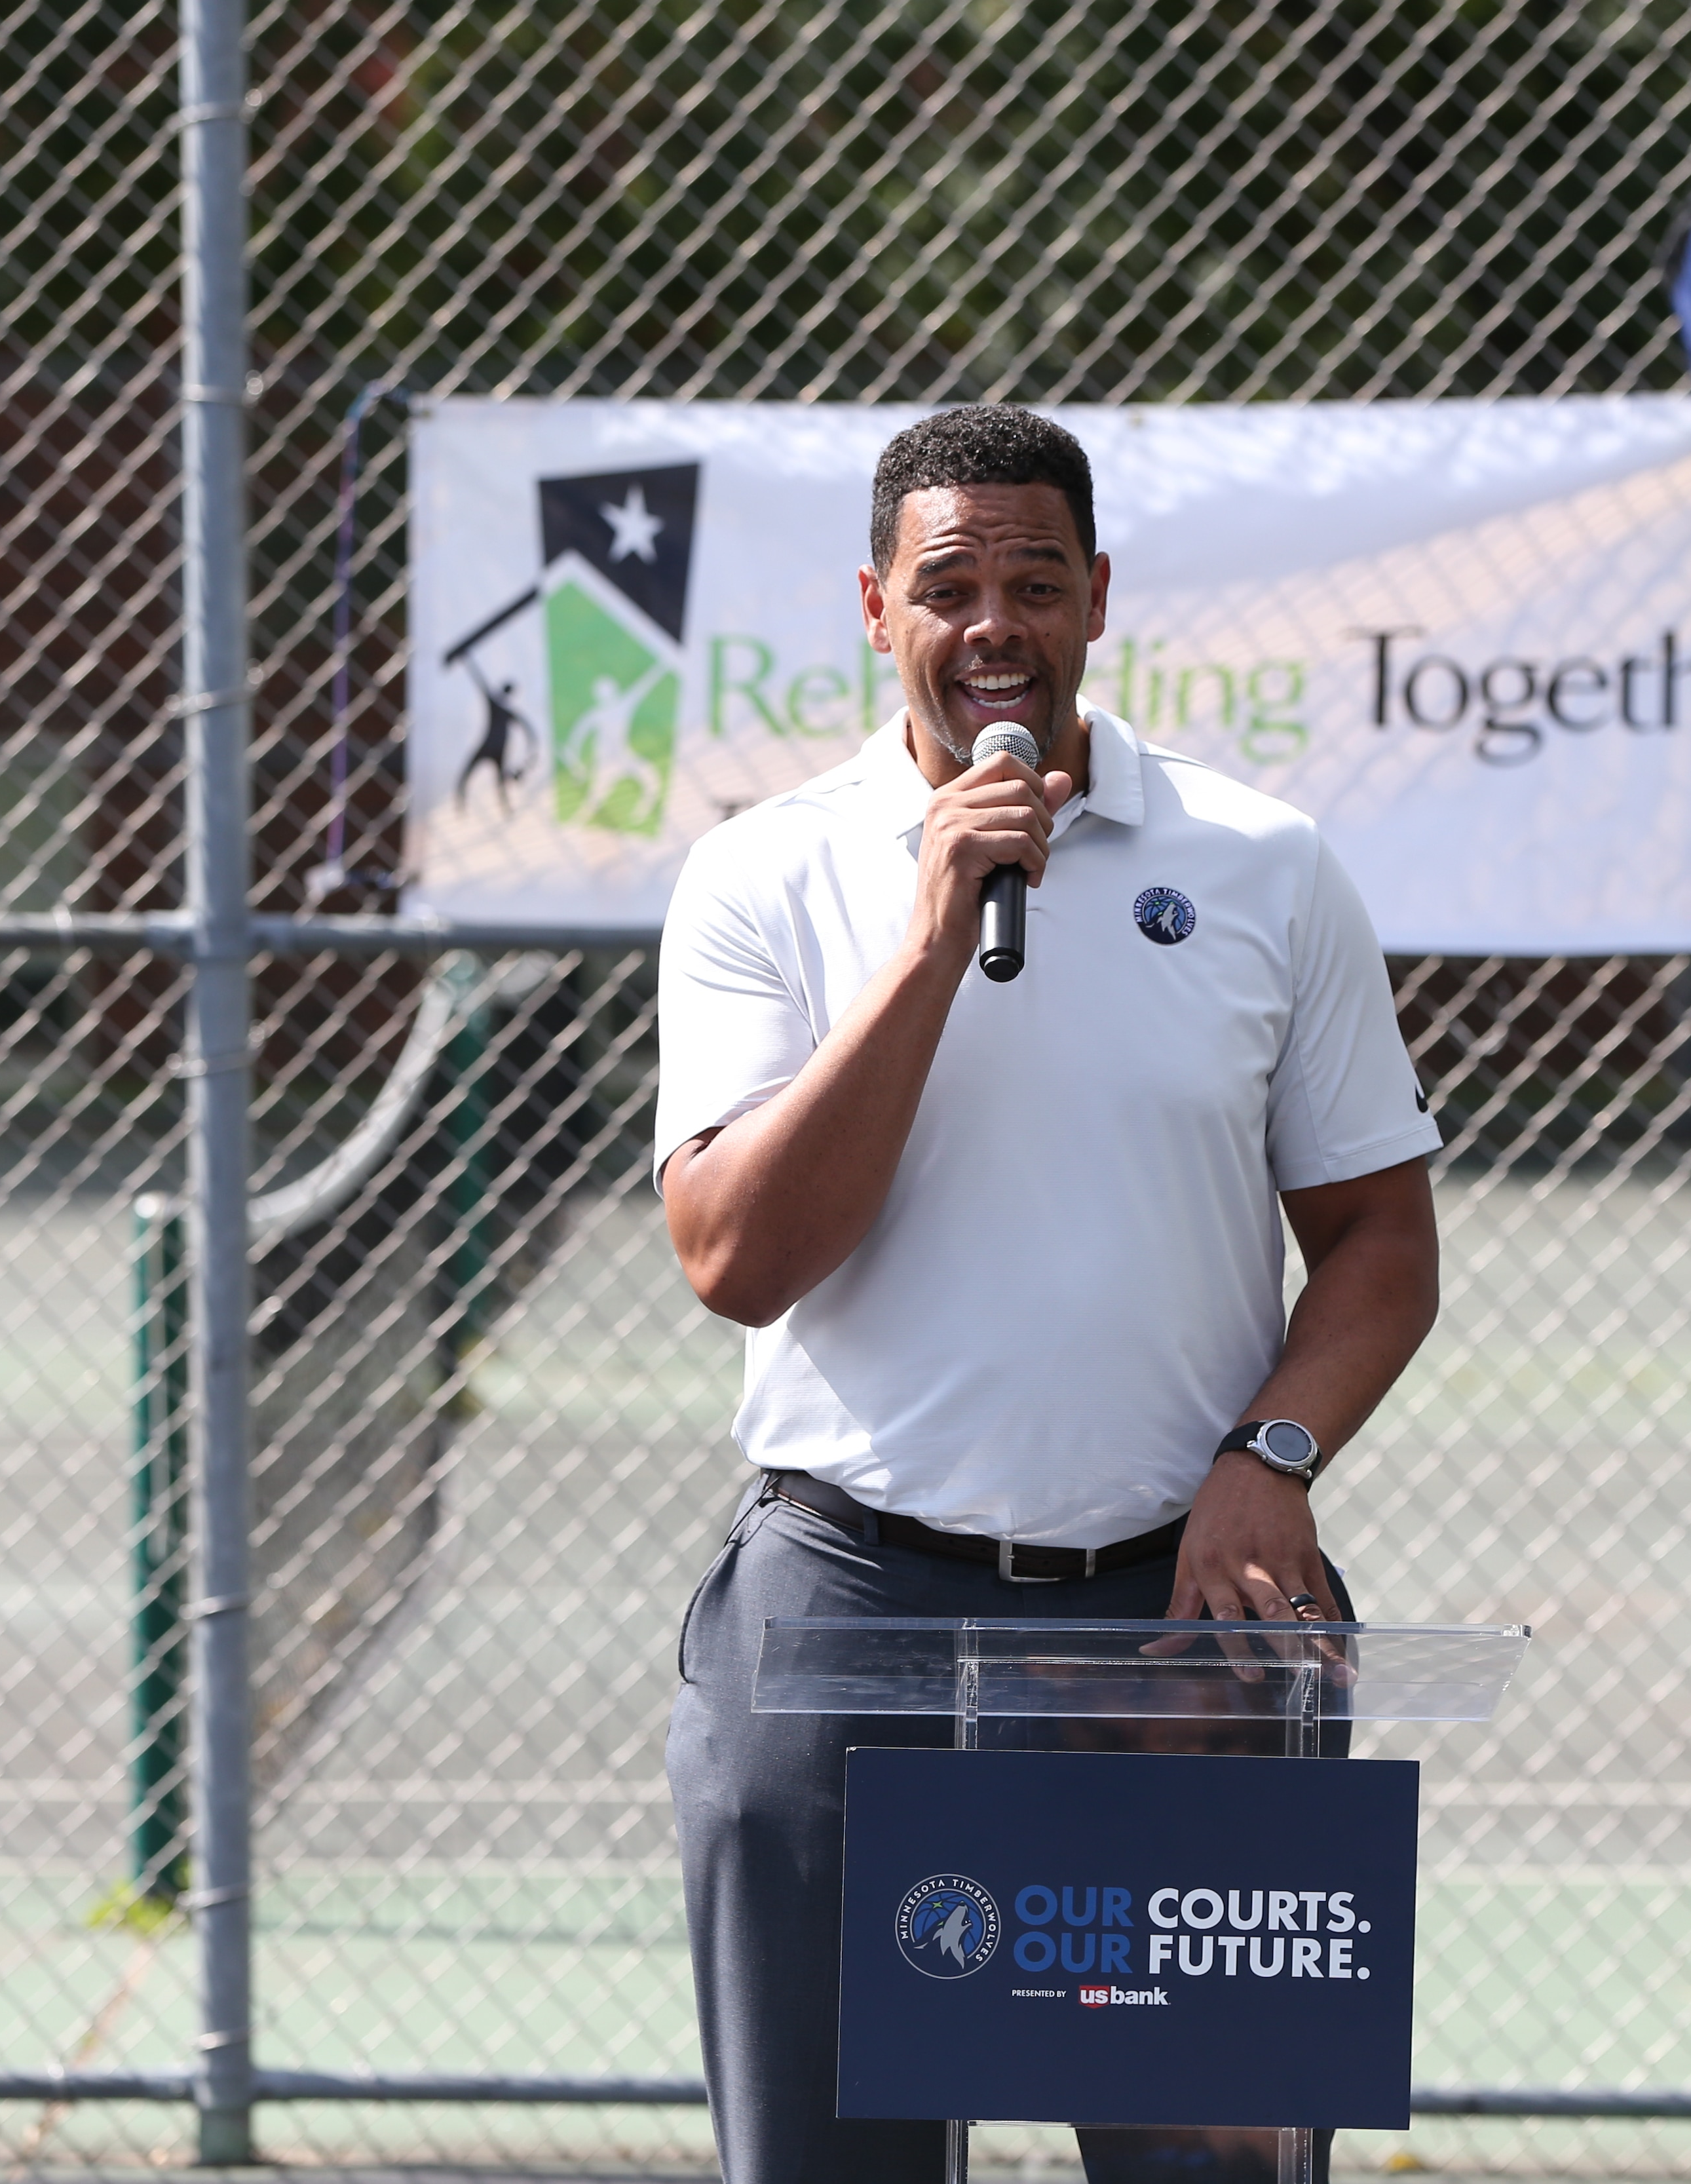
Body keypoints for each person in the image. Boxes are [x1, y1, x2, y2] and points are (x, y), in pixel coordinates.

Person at [654, 404, 1443, 2183]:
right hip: (842, 1614)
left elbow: (1383, 1242)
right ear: (876, 607)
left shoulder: (1262, 865)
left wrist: (1277, 1450)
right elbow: (737, 1255)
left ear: (1099, 596)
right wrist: (937, 932)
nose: (992, 621)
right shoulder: (765, 875)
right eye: (949, 584)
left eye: (1033, 578)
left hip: (1168, 1631)